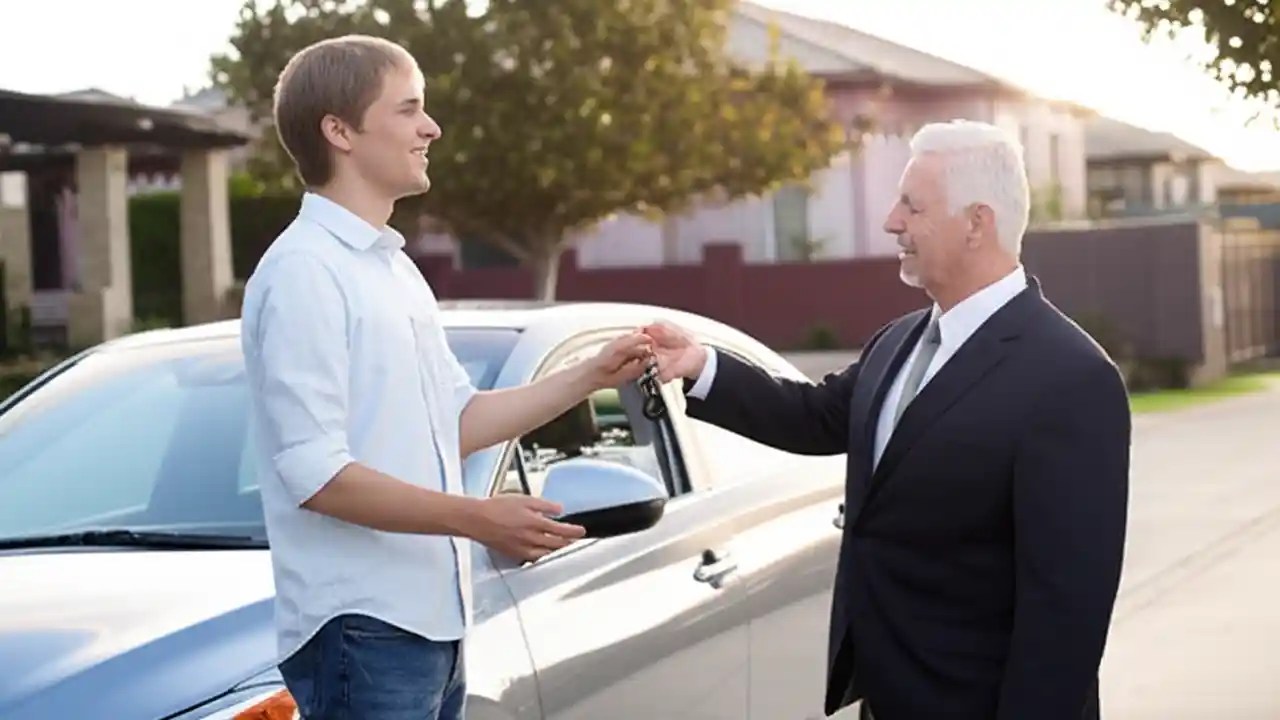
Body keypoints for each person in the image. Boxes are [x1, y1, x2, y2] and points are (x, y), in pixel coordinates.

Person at [645, 120, 1130, 720]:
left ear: (977, 223)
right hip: (887, 696)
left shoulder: (1071, 378)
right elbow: (816, 416)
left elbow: (1067, 608)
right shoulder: (897, 342)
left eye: (912, 205)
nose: (890, 221)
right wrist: (698, 364)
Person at [239, 35, 652, 720]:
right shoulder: (303, 273)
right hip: (362, 629)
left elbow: (454, 422)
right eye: (408, 110)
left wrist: (590, 375)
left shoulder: (393, 269)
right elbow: (314, 475)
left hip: (430, 626)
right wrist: (478, 519)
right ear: (339, 131)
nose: (430, 128)